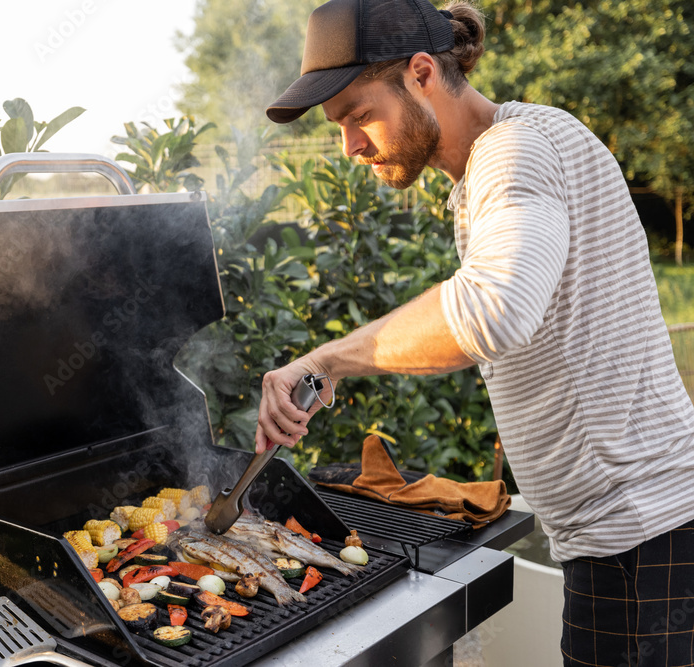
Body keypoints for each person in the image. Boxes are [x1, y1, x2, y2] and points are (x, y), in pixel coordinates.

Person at [258, 0, 694, 664]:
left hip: (639, 543)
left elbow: (495, 308)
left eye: (357, 115)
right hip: (639, 539)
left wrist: (330, 358)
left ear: (421, 73)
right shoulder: (514, 151)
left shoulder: (511, 151)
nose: (348, 146)